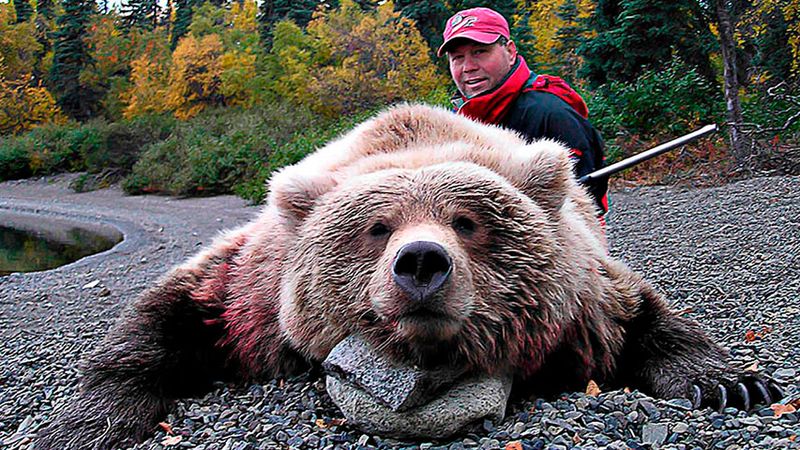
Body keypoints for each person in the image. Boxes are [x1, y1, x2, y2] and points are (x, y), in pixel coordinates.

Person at [439, 7, 609, 216]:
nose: (468, 67)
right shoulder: (457, 119)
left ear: (510, 52)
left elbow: (586, 202)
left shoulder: (551, 113)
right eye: (457, 58)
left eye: (479, 52)